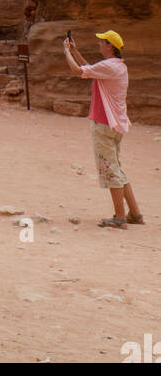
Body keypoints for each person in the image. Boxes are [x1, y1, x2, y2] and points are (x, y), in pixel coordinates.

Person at [63, 29, 143, 227]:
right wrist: (75, 52)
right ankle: (135, 214)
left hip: (104, 124)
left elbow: (78, 71)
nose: (99, 44)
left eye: (101, 42)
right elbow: (91, 68)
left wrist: (65, 52)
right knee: (117, 168)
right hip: (115, 124)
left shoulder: (109, 66)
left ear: (110, 46)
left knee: (111, 171)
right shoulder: (117, 66)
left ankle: (120, 218)